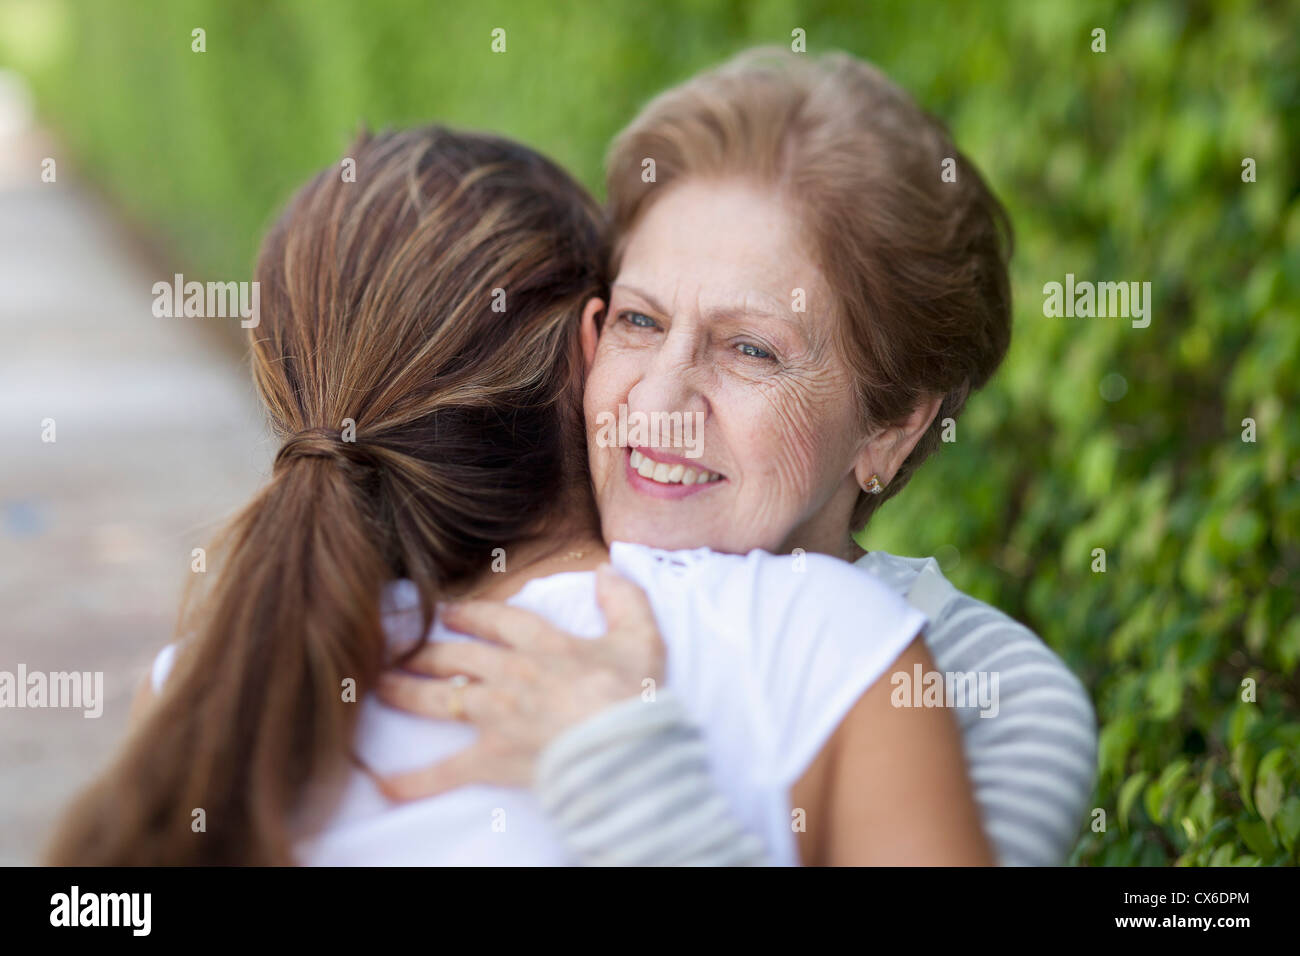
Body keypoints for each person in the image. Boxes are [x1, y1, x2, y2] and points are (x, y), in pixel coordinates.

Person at [43, 125, 989, 866]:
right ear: (592, 347)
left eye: (747, 348)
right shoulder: (828, 642)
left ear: (290, 391)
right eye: (641, 322)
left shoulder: (201, 694)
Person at [378, 48, 1098, 867]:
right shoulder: (477, 562)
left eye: (752, 350)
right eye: (639, 323)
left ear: (891, 426)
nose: (656, 405)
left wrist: (626, 776)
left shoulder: (997, 697)